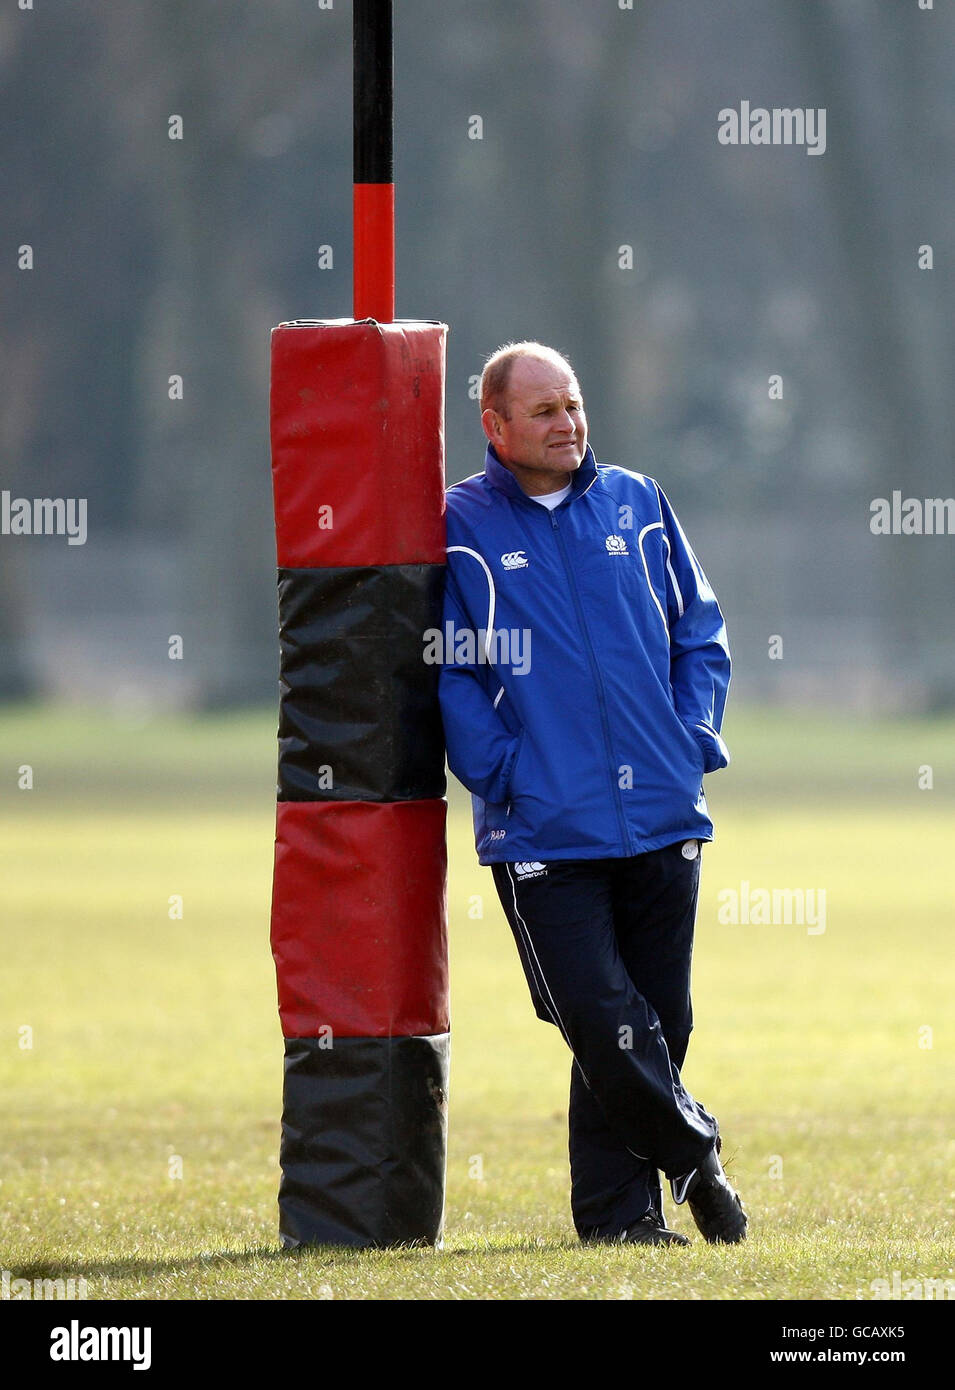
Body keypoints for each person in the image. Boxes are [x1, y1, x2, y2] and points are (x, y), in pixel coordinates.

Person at [438, 341, 747, 1246]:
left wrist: (689, 742)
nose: (567, 424)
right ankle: (694, 1154)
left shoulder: (640, 503)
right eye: (544, 411)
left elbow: (700, 632)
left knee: (658, 1023)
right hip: (543, 829)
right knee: (600, 1019)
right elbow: (449, 673)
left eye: (572, 405)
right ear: (495, 426)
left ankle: (618, 1222)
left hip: (661, 813)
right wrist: (505, 775)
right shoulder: (456, 526)